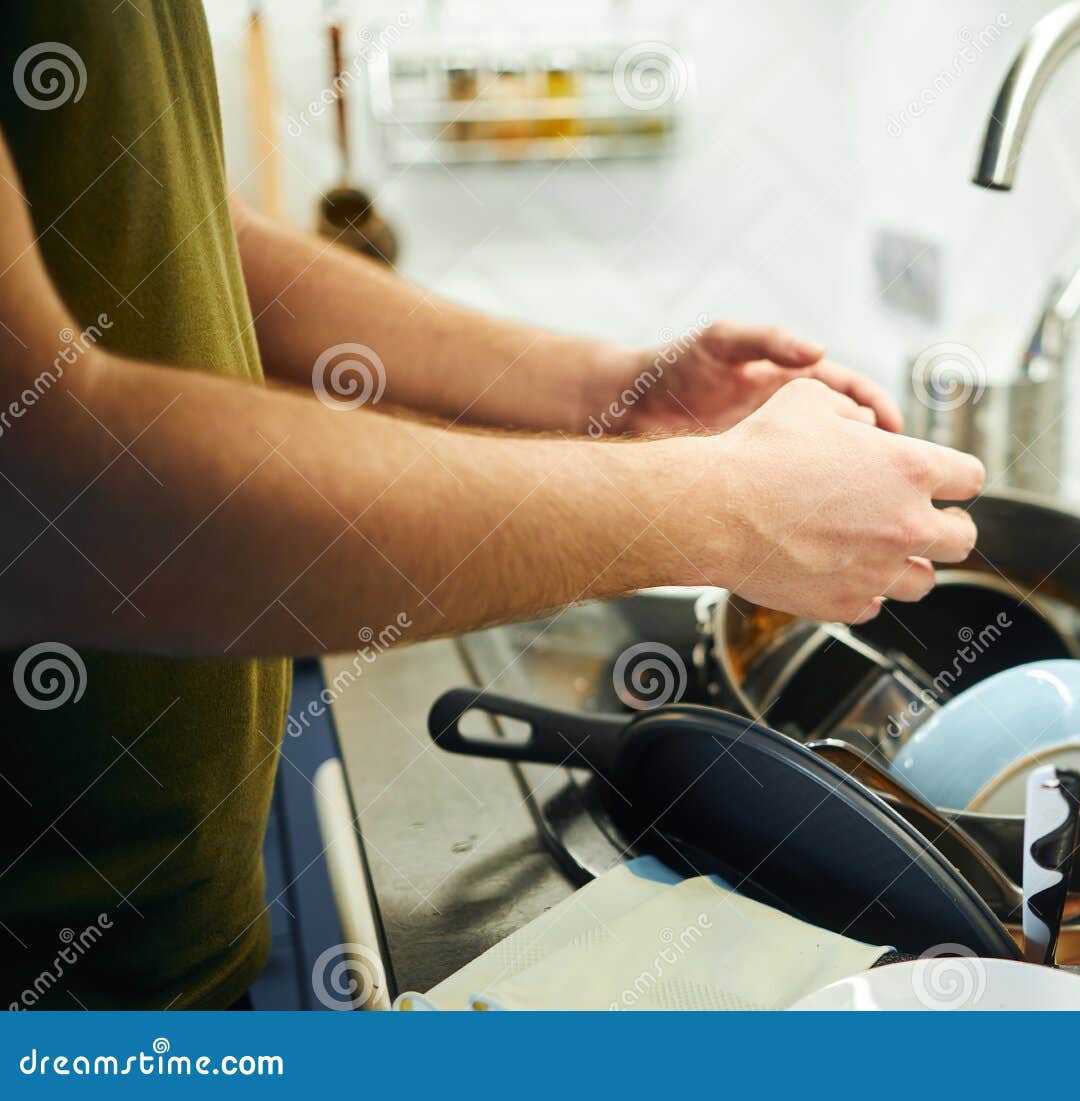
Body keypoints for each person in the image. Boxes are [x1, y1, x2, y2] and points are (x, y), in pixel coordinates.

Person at [0, 4, 982, 1008]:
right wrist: (724, 507)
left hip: (168, 921)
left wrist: (606, 392)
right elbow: (48, 487)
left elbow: (196, 231)